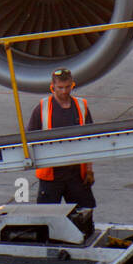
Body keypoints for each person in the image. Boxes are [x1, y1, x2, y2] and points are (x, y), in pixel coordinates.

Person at [27, 68, 96, 228]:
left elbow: (90, 140)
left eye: (67, 87)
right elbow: (31, 138)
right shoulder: (42, 108)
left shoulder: (81, 106)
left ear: (72, 85)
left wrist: (90, 170)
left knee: (85, 217)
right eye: (60, 88)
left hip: (76, 174)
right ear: (52, 87)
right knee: (45, 221)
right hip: (51, 176)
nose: (64, 91)